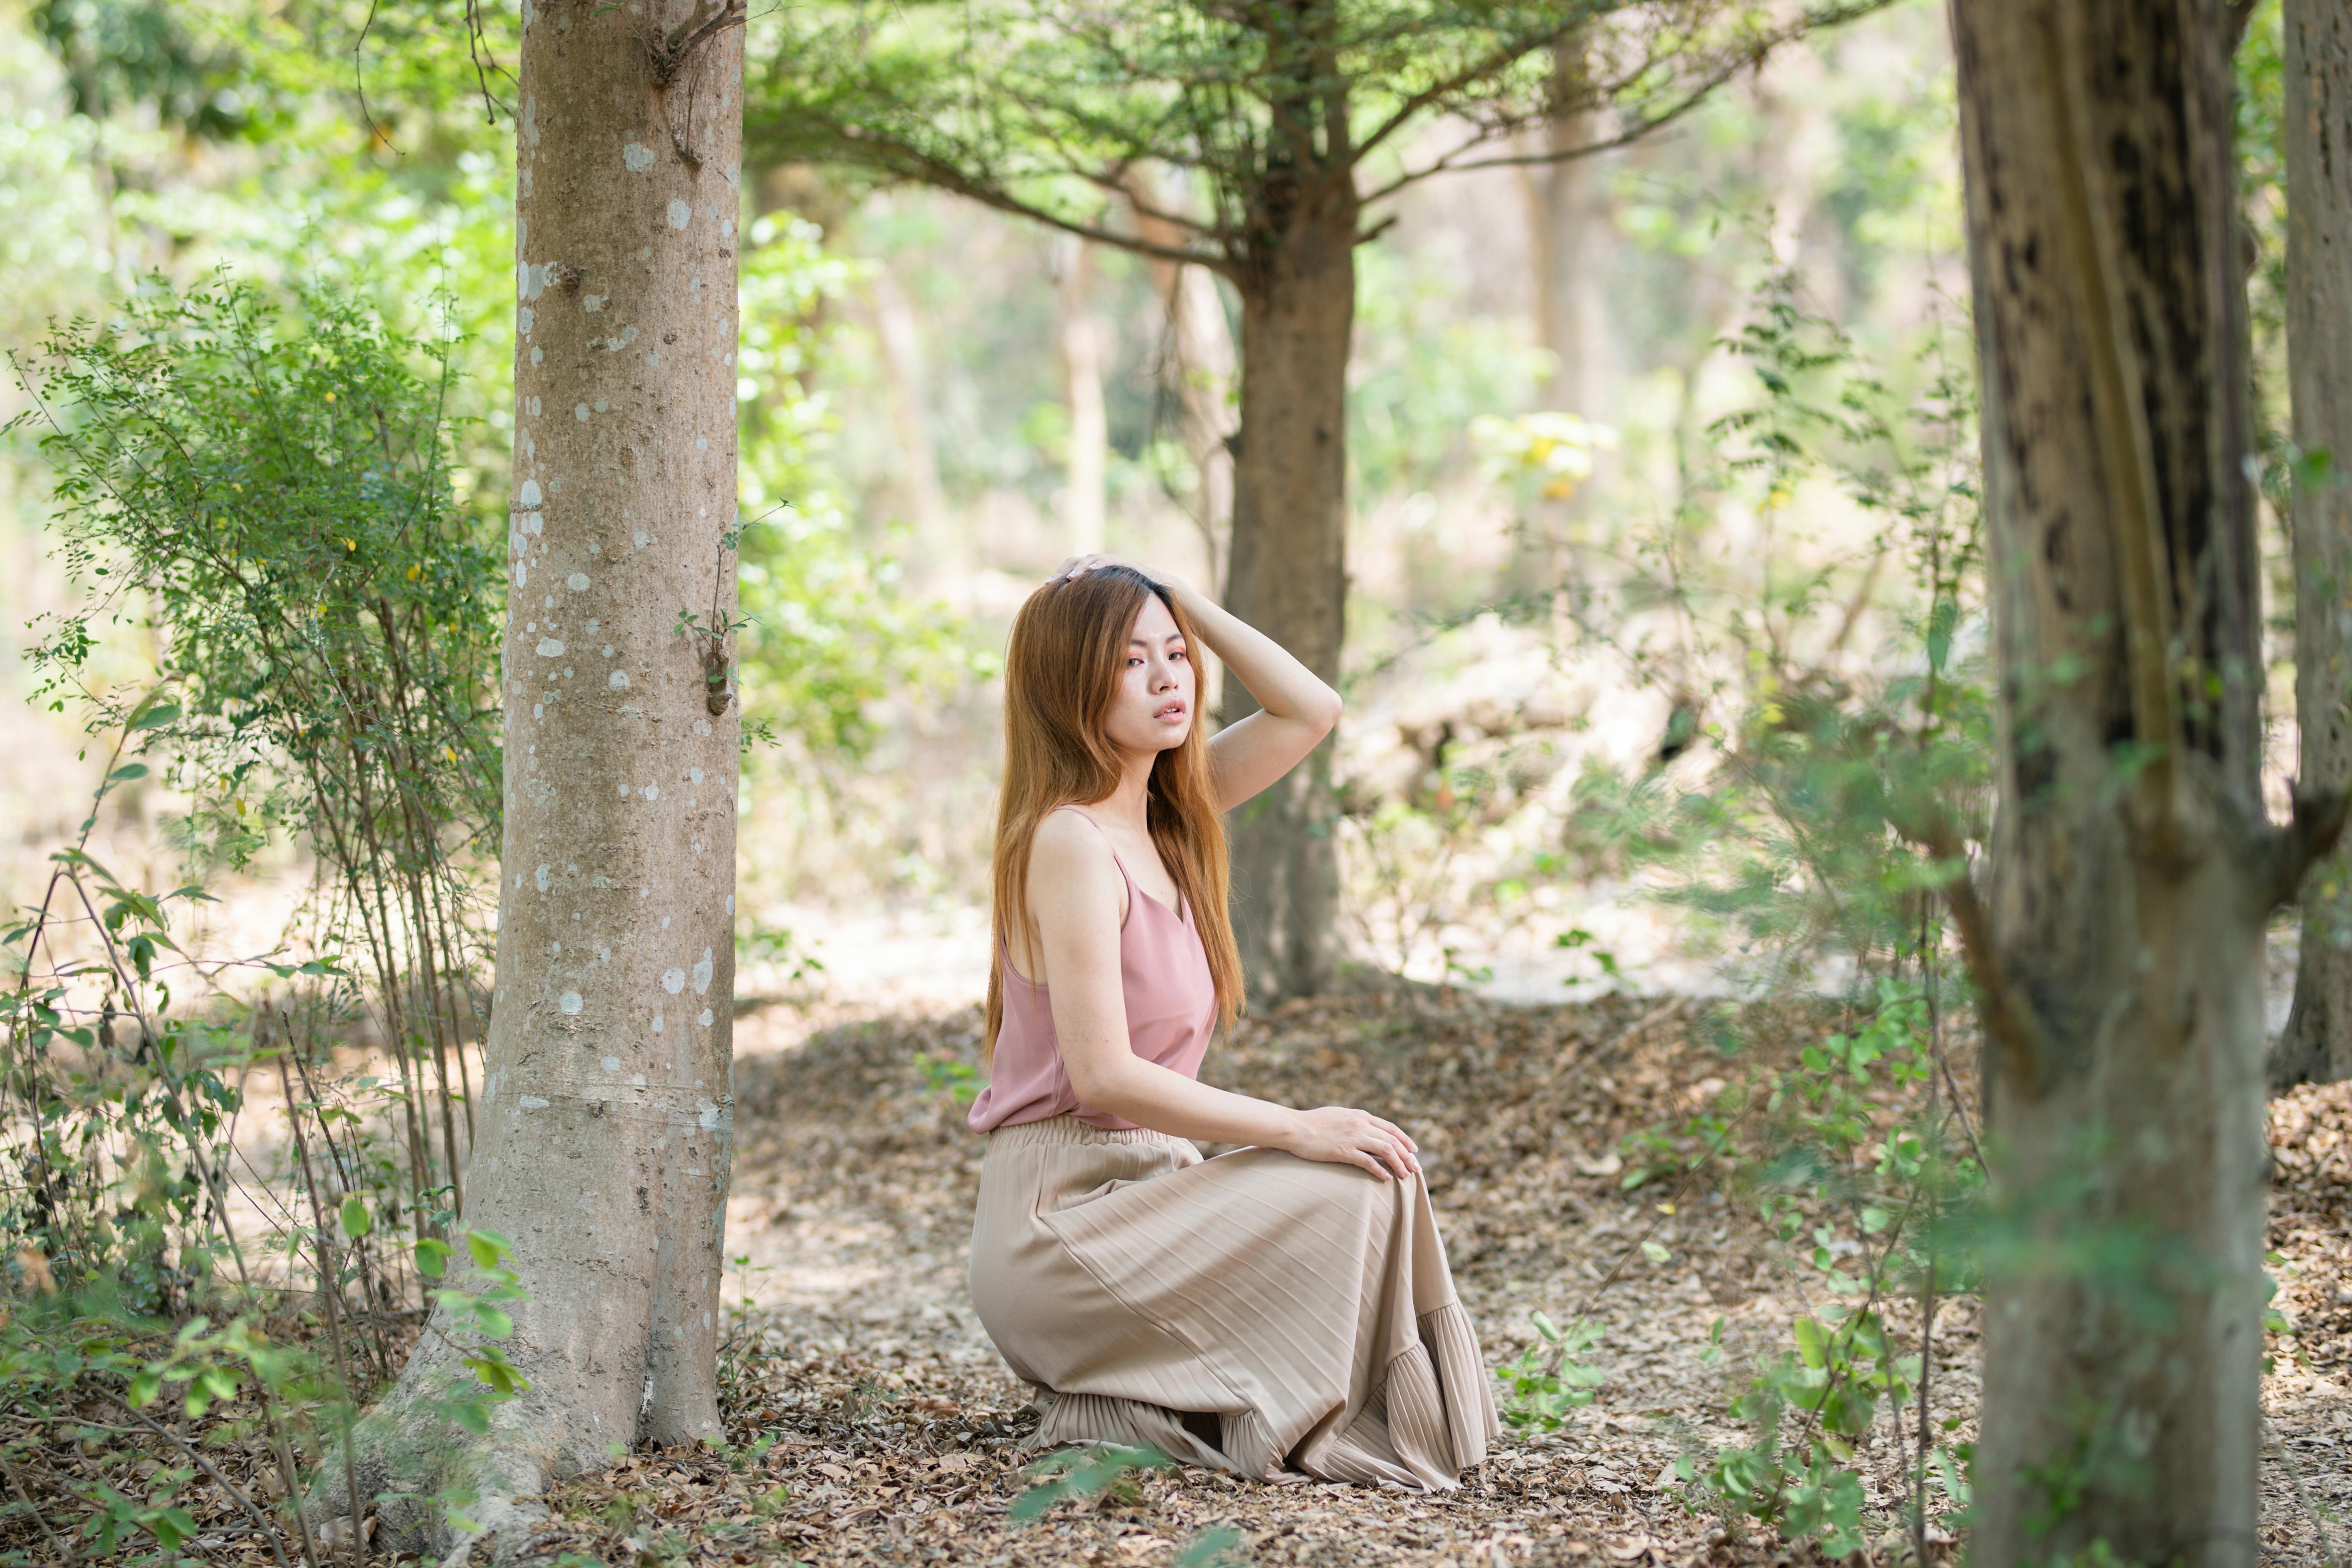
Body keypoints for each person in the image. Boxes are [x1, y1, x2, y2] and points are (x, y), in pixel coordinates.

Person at [965, 554, 1496, 1491]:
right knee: (1345, 1167)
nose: (1170, 677)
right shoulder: (1068, 841)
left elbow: (1311, 709)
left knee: (1380, 1174)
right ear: (1067, 682)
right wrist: (1298, 1125)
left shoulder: (1173, 819)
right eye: (1132, 661)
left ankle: (1374, 1414)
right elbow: (1105, 1079)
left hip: (1156, 1192)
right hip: (1062, 1225)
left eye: (1176, 655)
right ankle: (1279, 1406)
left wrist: (1181, 598)